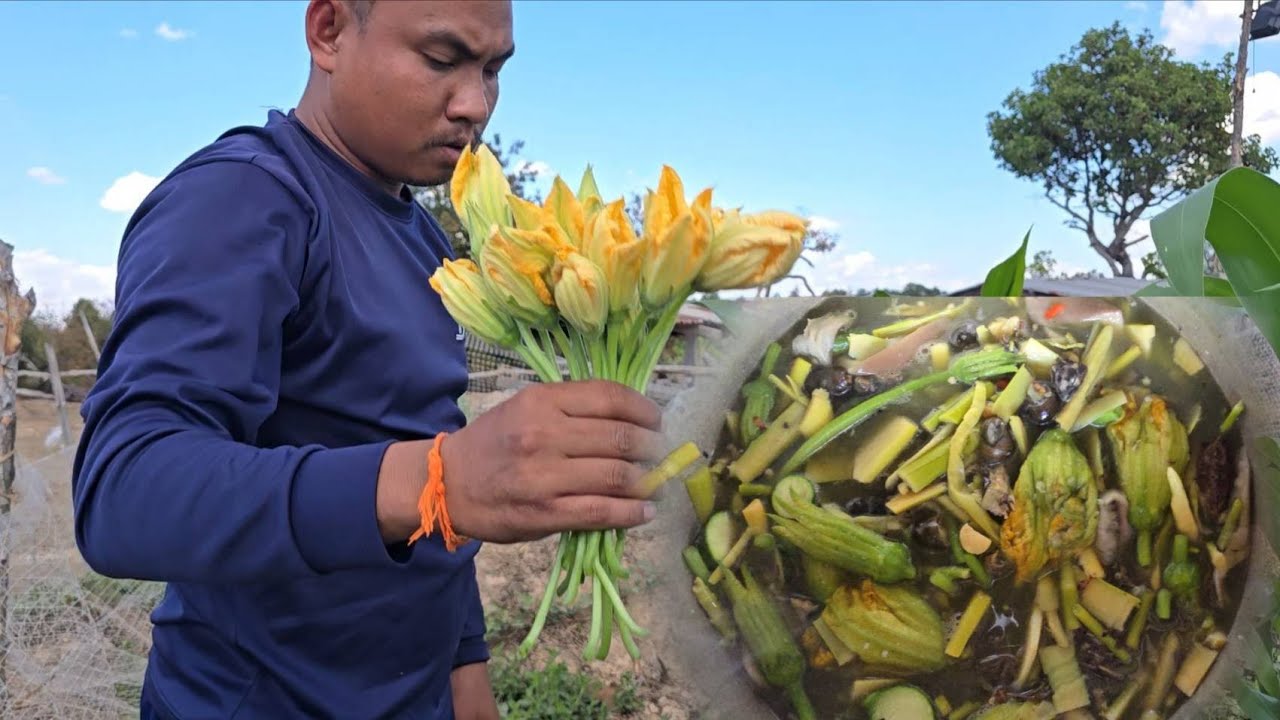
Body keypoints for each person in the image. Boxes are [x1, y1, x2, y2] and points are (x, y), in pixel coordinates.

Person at [70, 1, 668, 718]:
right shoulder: (244, 195)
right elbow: (124, 490)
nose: (475, 104)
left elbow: (427, 458)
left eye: (492, 70)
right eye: (442, 59)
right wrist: (438, 477)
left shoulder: (424, 239)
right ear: (328, 31)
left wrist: (466, 665)